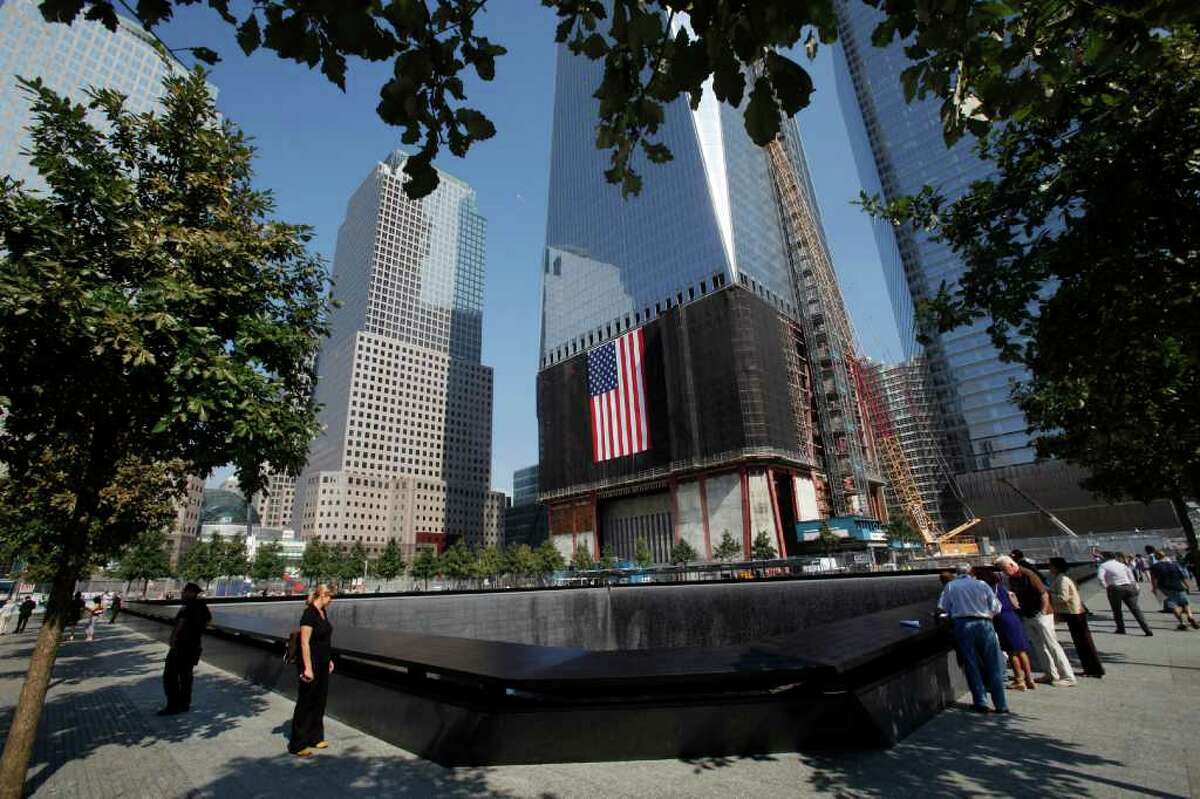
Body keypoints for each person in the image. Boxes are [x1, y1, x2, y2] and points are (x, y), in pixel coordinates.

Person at [937, 564, 1008, 714]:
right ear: (971, 572)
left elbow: (943, 608)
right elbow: (996, 607)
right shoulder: (981, 585)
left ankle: (980, 702)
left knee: (971, 664)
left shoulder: (951, 586)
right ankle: (1001, 705)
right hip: (985, 624)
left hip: (963, 625)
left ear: (957, 573)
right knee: (993, 664)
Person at [996, 555, 1076, 686]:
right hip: (1028, 615)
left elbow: (1043, 593)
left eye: (1004, 569)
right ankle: (1050, 673)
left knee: (1052, 645)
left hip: (1040, 614)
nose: (1004, 572)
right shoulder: (1012, 578)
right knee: (1039, 646)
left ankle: (1068, 676)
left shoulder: (1028, 574)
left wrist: (1043, 611)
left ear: (1011, 565)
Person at [289, 584, 337, 755]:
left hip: (323, 663)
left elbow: (323, 640)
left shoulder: (323, 613)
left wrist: (329, 659)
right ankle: (298, 744)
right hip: (311, 664)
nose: (332, 600)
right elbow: (304, 642)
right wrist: (308, 668)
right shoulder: (309, 614)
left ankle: (314, 738)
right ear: (322, 595)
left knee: (319, 701)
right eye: (330, 597)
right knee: (306, 702)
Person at [975, 567, 1035, 690]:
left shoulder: (986, 589)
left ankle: (1019, 679)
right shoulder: (999, 586)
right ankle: (1029, 678)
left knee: (1011, 651)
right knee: (1021, 650)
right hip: (1013, 617)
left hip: (1002, 619)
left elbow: (991, 607)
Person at [159, 583, 212, 716]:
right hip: (194, 647)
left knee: (170, 676)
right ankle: (184, 704)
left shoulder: (187, 606)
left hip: (181, 646)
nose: (182, 593)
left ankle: (173, 705)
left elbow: (180, 624)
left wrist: (172, 639)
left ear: (190, 592)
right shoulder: (203, 606)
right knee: (186, 676)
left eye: (184, 591)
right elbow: (208, 621)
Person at [1048, 558, 1104, 678]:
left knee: (1083, 642)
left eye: (1051, 566)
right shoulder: (1064, 577)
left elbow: (1063, 597)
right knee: (1083, 642)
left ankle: (1092, 669)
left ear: (1056, 567)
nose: (1049, 568)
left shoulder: (1062, 579)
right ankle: (1092, 668)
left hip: (1074, 614)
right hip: (1074, 613)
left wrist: (1048, 594)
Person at [1097, 551, 1153, 635]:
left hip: (1115, 589)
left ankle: (1121, 629)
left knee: (1117, 610)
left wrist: (1106, 586)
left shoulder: (1103, 566)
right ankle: (1147, 629)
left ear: (1105, 557)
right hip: (1129, 587)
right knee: (1136, 610)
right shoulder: (1122, 565)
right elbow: (1130, 576)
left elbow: (1100, 578)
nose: (1100, 558)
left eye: (1101, 556)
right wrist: (1134, 585)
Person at [1149, 550, 1198, 631]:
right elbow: (1182, 576)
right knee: (1185, 603)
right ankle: (1190, 616)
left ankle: (1182, 623)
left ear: (1156, 557)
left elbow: (1153, 579)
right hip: (1178, 586)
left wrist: (1154, 588)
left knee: (1173, 606)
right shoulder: (1174, 565)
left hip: (1165, 588)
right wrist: (1188, 586)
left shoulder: (1154, 566)